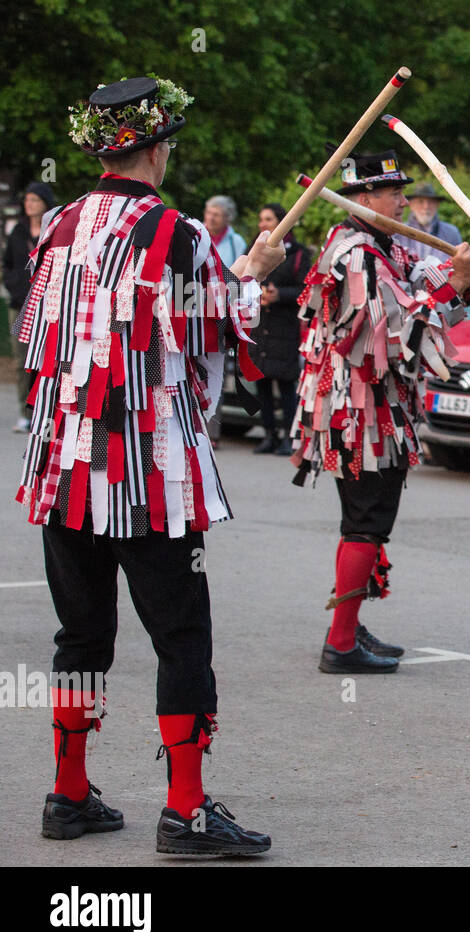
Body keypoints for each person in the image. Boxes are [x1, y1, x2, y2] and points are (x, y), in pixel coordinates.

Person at [18, 76, 285, 853]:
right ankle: (187, 809)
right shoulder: (177, 234)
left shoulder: (59, 225)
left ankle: (68, 796)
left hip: (66, 465)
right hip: (148, 478)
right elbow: (215, 327)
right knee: (182, 638)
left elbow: (46, 335)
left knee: (80, 637)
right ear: (157, 150)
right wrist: (254, 275)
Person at [291, 149, 470, 672]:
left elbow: (417, 288)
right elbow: (392, 336)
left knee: (365, 520)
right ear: (366, 198)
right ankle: (341, 643)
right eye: (395, 192)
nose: (404, 200)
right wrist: (457, 282)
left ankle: (349, 626)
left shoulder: (382, 246)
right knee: (365, 522)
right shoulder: (357, 253)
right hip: (361, 410)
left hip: (376, 410)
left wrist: (464, 273)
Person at [250, 203, 310, 455]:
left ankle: (288, 435)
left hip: (284, 326)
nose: (263, 224)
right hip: (260, 325)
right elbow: (242, 277)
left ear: (281, 222)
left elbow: (305, 289)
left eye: (268, 219)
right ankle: (269, 434)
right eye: (261, 219)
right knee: (261, 382)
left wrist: (279, 295)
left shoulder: (298, 254)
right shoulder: (253, 248)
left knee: (286, 384)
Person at [5, 182, 56, 432]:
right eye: (27, 200)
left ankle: (45, 410)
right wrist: (17, 287)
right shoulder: (17, 231)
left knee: (48, 355)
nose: (29, 204)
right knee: (21, 358)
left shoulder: (53, 229)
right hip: (20, 303)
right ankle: (26, 412)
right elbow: (8, 265)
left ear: (45, 202)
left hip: (48, 303)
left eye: (34, 200)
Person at [393, 182, 462, 262]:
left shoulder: (451, 233)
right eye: (420, 201)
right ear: (411, 205)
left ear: (437, 205)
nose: (426, 207)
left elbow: (459, 263)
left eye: (431, 202)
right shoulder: (398, 232)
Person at [203, 195, 246, 265]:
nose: (210, 218)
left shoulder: (237, 242)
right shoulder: (193, 236)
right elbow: (180, 267)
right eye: (208, 213)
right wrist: (179, 276)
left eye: (216, 215)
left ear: (227, 217)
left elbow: (242, 271)